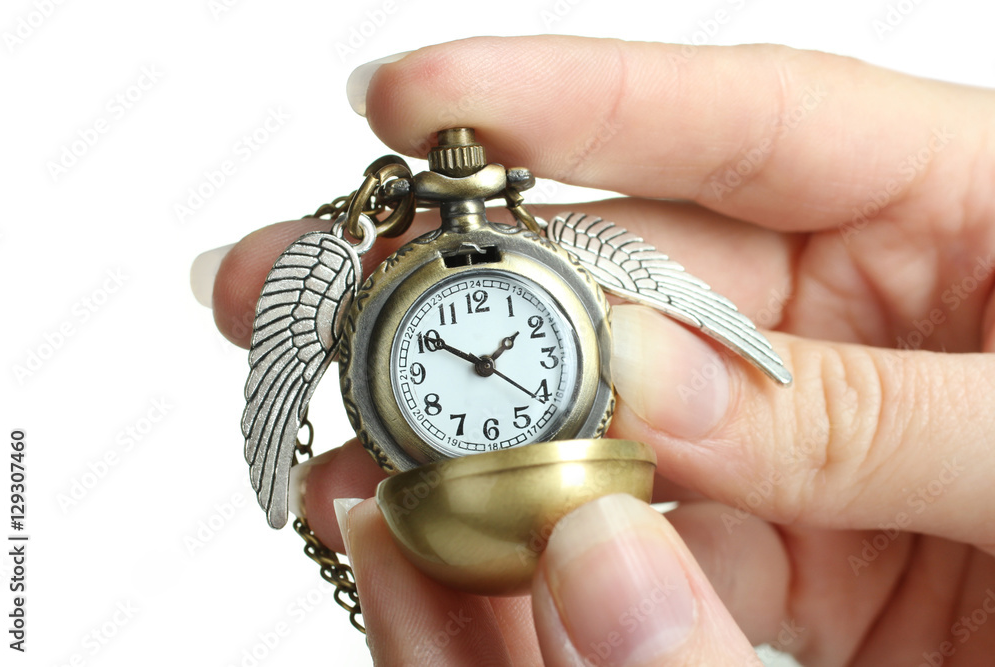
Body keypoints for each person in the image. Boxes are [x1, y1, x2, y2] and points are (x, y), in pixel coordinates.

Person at [194, 36, 995, 666]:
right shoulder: (487, 272)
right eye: (452, 357)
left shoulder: (555, 258)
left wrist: (789, 390)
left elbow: (672, 295)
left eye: (501, 352)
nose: (484, 368)